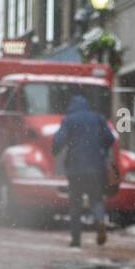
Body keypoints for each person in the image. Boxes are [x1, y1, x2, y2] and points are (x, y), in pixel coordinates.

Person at [52, 94, 115, 248]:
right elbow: (110, 138)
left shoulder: (70, 119)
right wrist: (102, 150)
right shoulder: (98, 118)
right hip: (95, 168)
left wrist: (55, 149)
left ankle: (76, 239)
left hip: (75, 169)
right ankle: (100, 222)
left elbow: (59, 140)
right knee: (96, 200)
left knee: (75, 205)